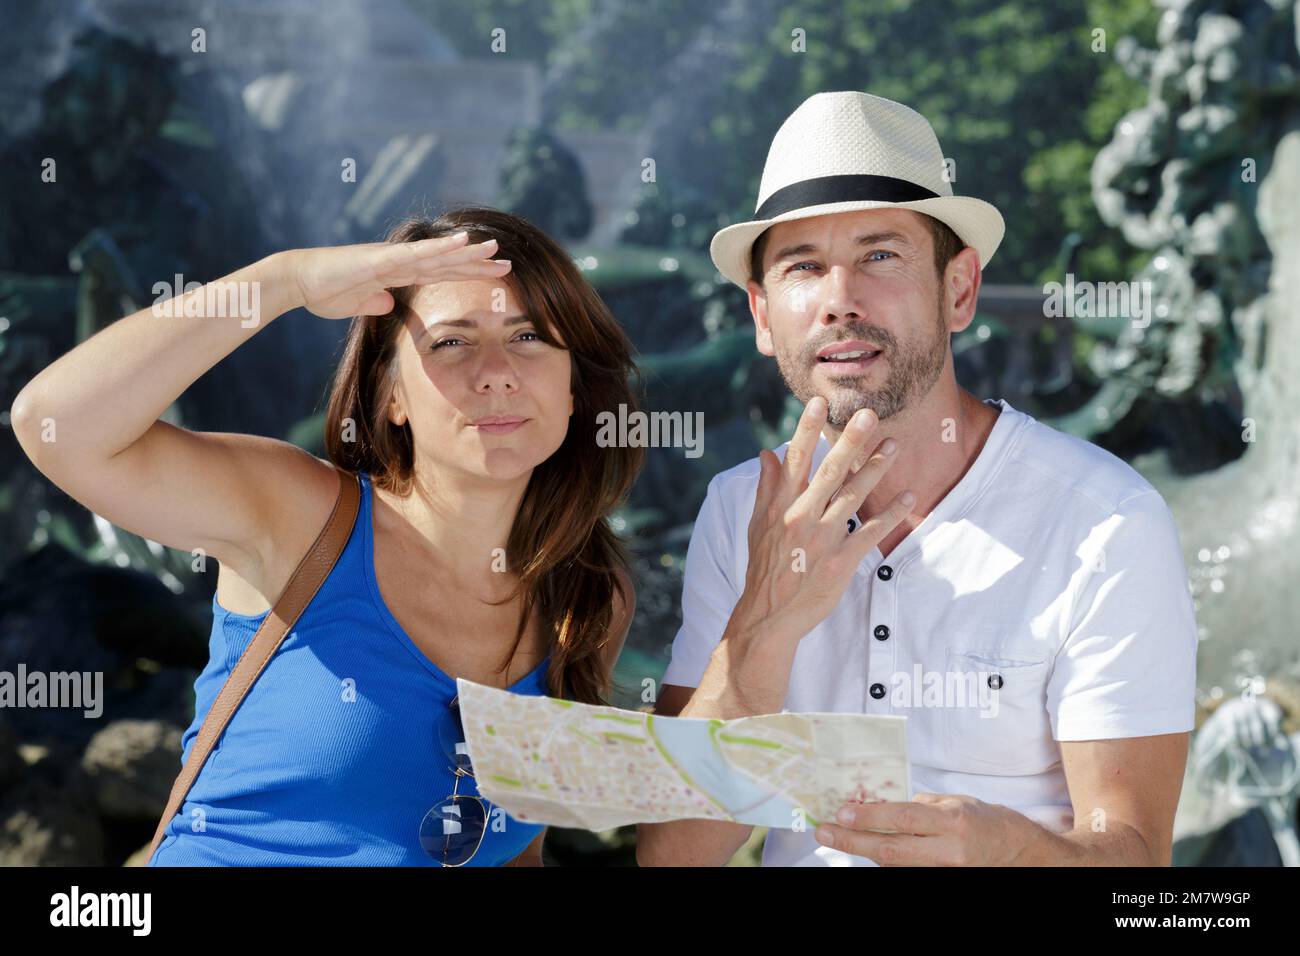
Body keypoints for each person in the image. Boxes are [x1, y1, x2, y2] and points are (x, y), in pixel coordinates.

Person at [636, 91, 1198, 867]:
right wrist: (767, 623)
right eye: (804, 267)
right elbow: (674, 855)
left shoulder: (1105, 521)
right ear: (763, 318)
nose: (840, 302)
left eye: (880, 256)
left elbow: (1136, 860)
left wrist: (1005, 847)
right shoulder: (739, 509)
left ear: (959, 290)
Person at [10, 206, 644, 866]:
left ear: (574, 388)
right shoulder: (301, 516)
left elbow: (511, 851)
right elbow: (56, 425)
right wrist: (286, 280)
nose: (496, 371)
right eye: (452, 342)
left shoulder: (593, 598)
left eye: (530, 336)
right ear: (392, 396)